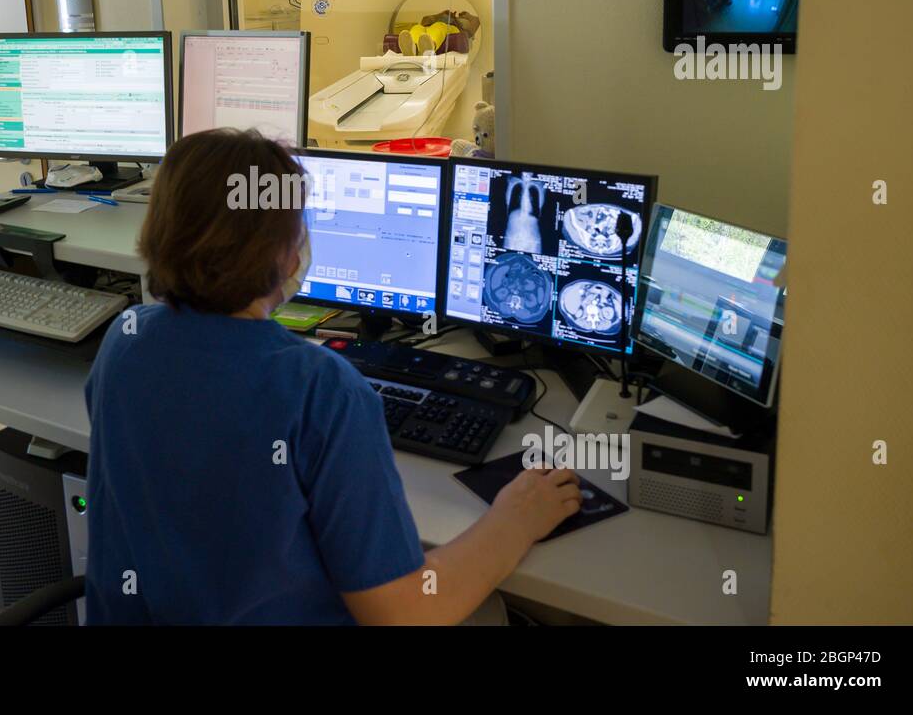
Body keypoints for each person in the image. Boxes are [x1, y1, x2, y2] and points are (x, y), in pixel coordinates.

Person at [83, 129, 581, 624]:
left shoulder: (124, 342)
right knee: (490, 613)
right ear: (284, 253)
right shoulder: (321, 387)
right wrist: (514, 521)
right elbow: (405, 613)